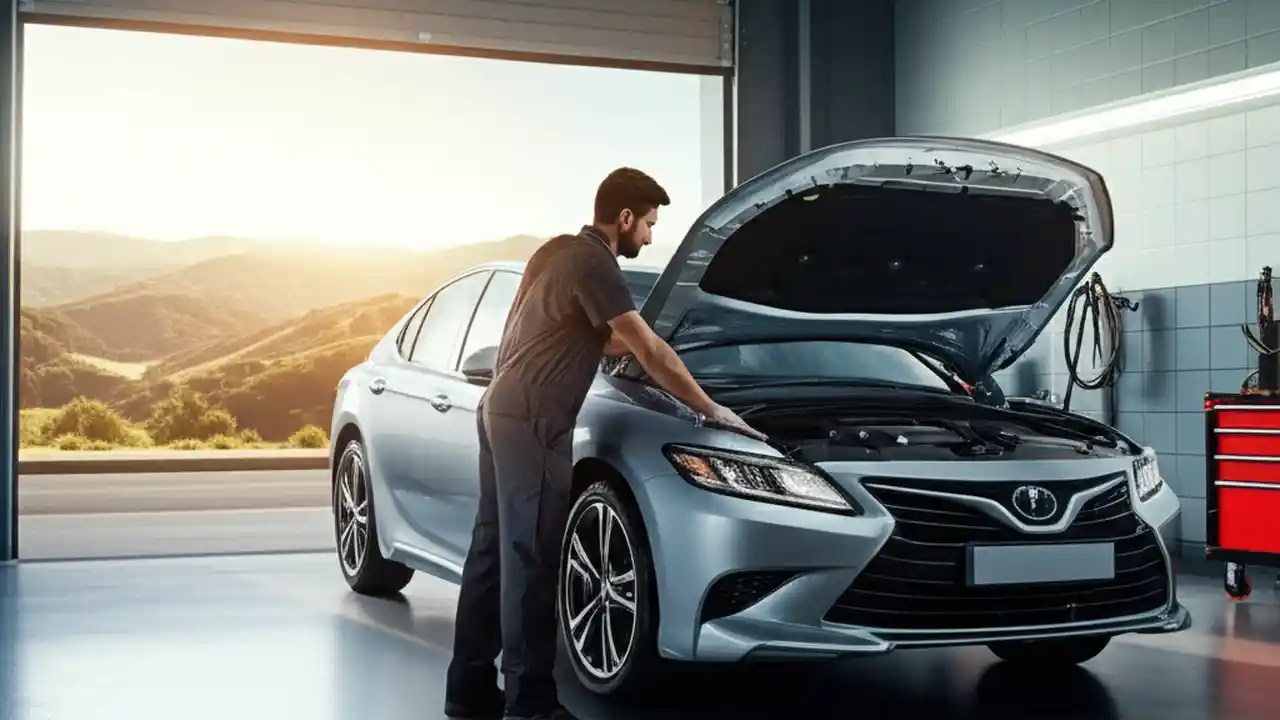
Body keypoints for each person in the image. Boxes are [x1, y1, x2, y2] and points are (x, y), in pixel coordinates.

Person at [443, 168, 766, 720]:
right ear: (623, 218)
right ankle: (531, 705)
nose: (648, 236)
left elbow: (592, 333)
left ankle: (467, 691)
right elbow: (647, 348)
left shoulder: (555, 253)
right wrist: (710, 408)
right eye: (647, 225)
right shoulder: (597, 262)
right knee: (532, 559)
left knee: (493, 551)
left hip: (498, 407)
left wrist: (642, 344)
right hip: (536, 419)